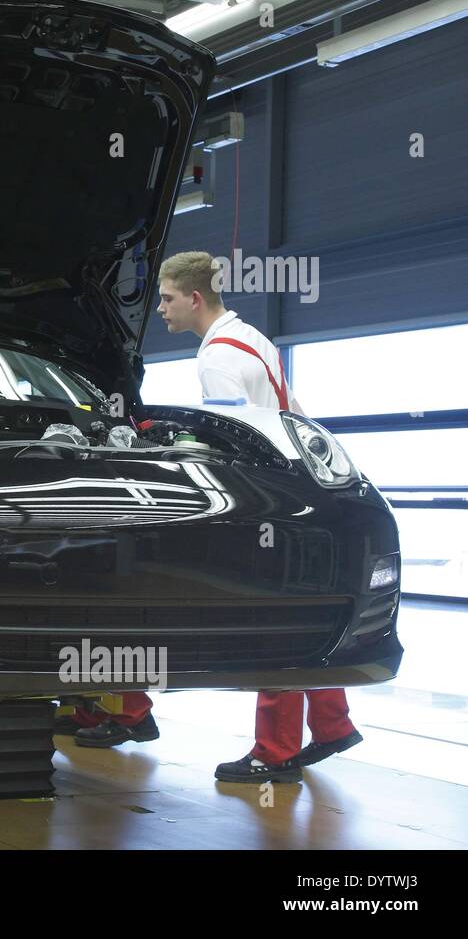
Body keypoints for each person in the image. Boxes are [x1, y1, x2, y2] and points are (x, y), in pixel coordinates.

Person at [155, 250, 362, 784]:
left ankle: (275, 753)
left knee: (275, 628)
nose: (160, 309)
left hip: (267, 501)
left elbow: (231, 447)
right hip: (299, 488)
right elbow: (292, 411)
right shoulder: (255, 339)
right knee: (306, 615)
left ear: (195, 298)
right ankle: (334, 726)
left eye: (168, 298)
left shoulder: (216, 357)